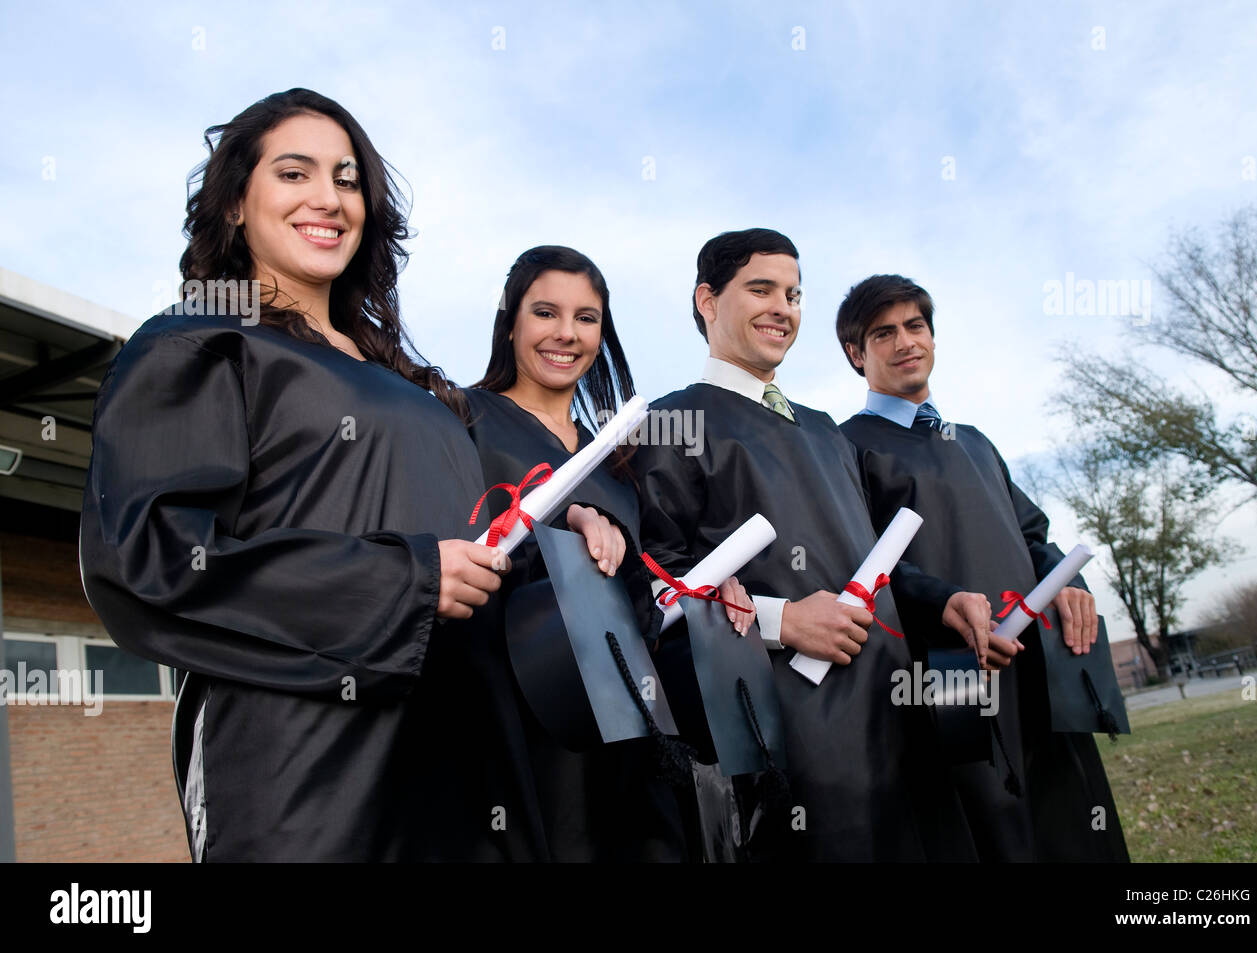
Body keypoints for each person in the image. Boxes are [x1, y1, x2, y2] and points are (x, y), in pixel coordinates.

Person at [79, 88, 542, 862]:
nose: (328, 198)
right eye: (295, 174)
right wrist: (406, 580)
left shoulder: (415, 385)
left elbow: (478, 533)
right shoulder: (200, 342)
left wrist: (574, 521)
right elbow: (147, 560)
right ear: (234, 202)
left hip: (466, 760)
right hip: (312, 772)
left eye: (348, 178)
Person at [631, 228, 985, 861]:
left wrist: (942, 600)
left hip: (899, 712)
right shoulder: (674, 422)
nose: (783, 308)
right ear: (707, 302)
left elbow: (874, 556)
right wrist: (783, 620)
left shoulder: (826, 431)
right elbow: (656, 584)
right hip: (796, 733)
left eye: (793, 294)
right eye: (760, 289)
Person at [836, 273, 1129, 861]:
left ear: (933, 338)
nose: (904, 343)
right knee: (993, 834)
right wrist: (942, 601)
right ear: (856, 353)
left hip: (1039, 671)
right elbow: (865, 563)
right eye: (883, 333)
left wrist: (1068, 583)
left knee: (1074, 832)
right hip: (946, 678)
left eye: (915, 326)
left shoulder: (974, 441)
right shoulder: (847, 447)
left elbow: (1032, 534)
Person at [465, 245, 709, 860]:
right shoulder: (463, 420)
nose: (566, 334)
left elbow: (644, 597)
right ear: (511, 321)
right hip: (514, 715)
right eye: (545, 312)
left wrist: (704, 590)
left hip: (621, 721)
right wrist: (557, 519)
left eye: (587, 317)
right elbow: (458, 547)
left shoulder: (619, 463)